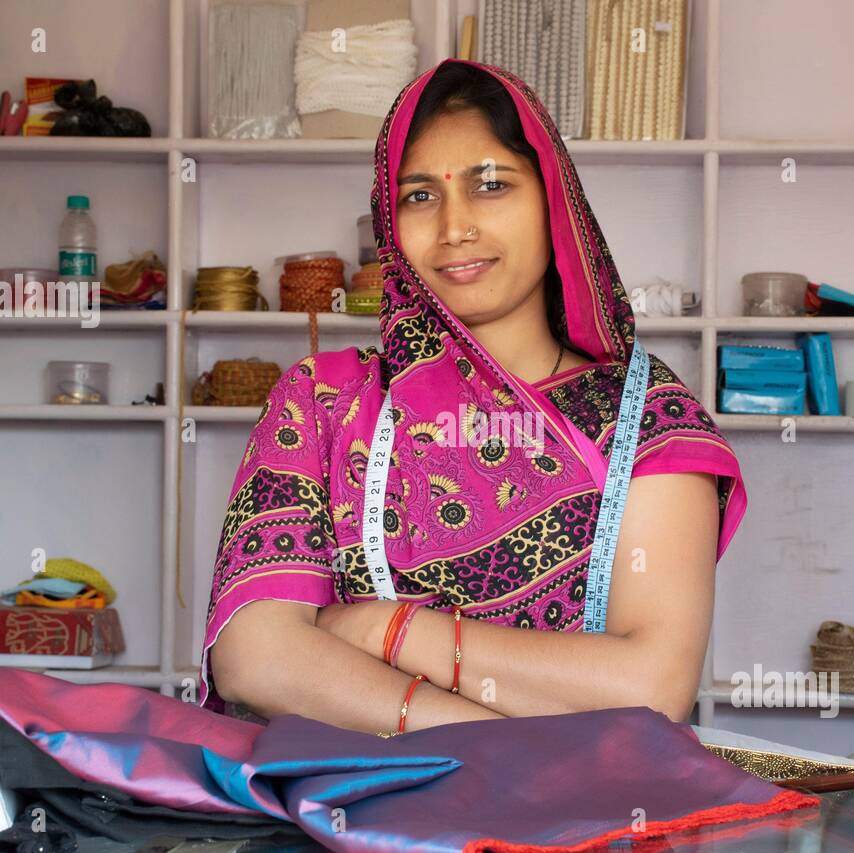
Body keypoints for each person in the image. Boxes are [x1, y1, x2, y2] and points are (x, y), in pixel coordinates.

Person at [202, 59, 747, 734]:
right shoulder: (322, 402)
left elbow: (651, 687)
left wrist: (387, 629)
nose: (454, 226)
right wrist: (473, 736)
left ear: (554, 202)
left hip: (585, 831)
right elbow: (255, 658)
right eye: (420, 196)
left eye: (491, 185)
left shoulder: (649, 419)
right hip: (359, 827)